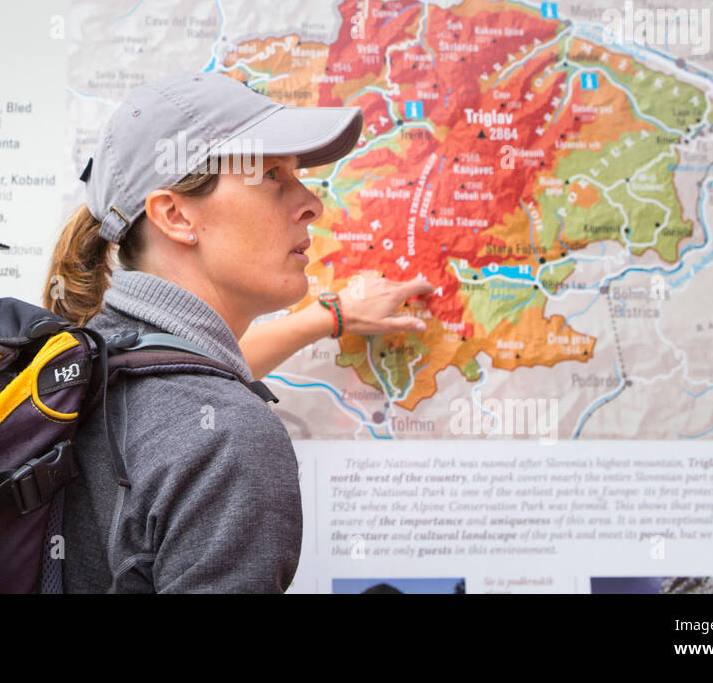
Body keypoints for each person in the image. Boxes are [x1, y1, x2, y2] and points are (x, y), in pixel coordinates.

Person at [43, 71, 429, 593]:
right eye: (272, 174)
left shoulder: (81, 366)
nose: (312, 203)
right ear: (175, 215)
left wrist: (329, 318)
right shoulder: (227, 439)